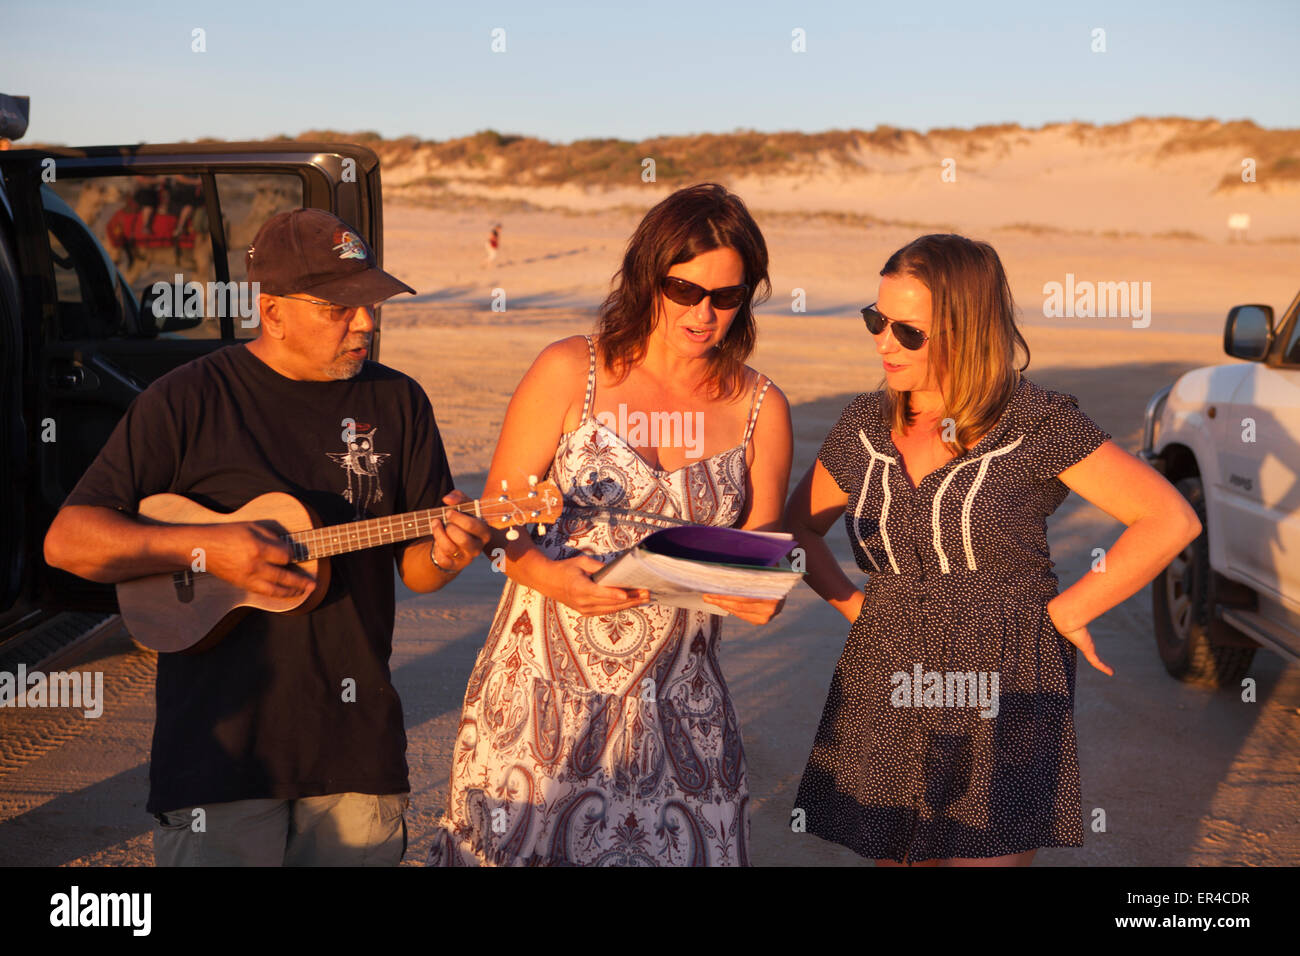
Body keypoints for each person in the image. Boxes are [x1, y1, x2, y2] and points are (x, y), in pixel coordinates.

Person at [42, 208, 493, 866]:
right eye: (339, 306)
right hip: (218, 754)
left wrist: (450, 553)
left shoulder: (399, 402)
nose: (365, 321)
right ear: (271, 309)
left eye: (369, 301)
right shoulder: (186, 400)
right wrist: (206, 548)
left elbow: (418, 570)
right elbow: (69, 542)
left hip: (354, 747)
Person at [784, 233, 1202, 866]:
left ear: (966, 328)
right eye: (876, 319)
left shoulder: (1036, 422)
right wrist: (855, 609)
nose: (883, 342)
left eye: (908, 331)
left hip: (1004, 678)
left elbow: (1168, 517)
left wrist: (1068, 613)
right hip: (887, 671)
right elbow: (799, 532)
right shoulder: (863, 426)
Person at [426, 183, 793, 866]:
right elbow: (499, 520)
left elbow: (765, 556)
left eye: (727, 296)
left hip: (680, 705)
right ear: (647, 276)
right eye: (684, 290)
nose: (704, 312)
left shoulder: (762, 408)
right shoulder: (572, 371)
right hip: (540, 693)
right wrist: (545, 576)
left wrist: (761, 586)